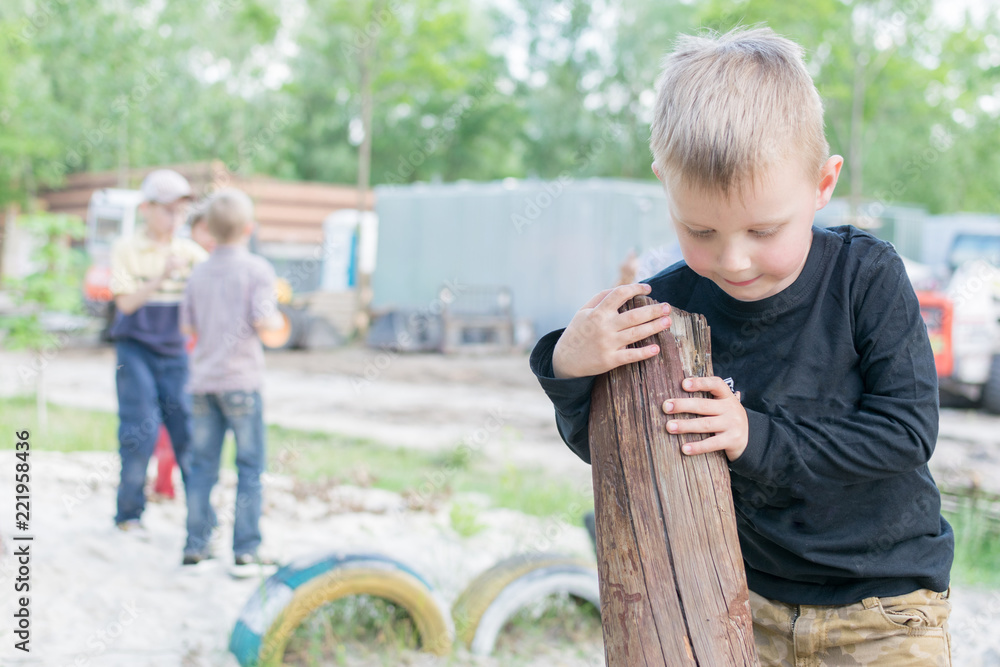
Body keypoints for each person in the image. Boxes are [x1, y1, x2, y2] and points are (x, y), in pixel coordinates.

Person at [530, 27, 954, 665]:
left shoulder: (865, 278)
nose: (733, 260)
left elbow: (906, 433)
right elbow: (621, 454)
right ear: (665, 188)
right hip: (738, 600)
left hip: (884, 606)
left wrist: (753, 436)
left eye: (763, 230)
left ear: (823, 183)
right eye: (700, 230)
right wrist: (570, 369)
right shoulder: (666, 308)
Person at [180, 188, 281, 576]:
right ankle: (246, 549)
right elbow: (264, 320)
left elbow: (187, 327)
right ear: (248, 228)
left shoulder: (198, 273)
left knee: (202, 465)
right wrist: (278, 321)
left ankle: (196, 543)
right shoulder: (257, 270)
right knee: (250, 465)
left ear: (208, 229)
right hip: (241, 380)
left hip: (203, 382)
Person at [110, 169, 208, 531]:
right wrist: (161, 276)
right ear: (146, 208)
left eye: (180, 211)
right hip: (135, 349)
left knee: (187, 431)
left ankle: (200, 519)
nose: (174, 218)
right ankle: (129, 513)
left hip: (175, 352)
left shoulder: (191, 254)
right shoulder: (126, 249)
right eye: (167, 210)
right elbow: (126, 304)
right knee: (139, 432)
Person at [151, 203, 216, 501]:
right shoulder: (185, 261)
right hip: (183, 348)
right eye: (205, 230)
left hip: (210, 352)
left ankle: (197, 488)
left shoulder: (217, 264)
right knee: (175, 416)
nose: (211, 237)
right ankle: (165, 482)